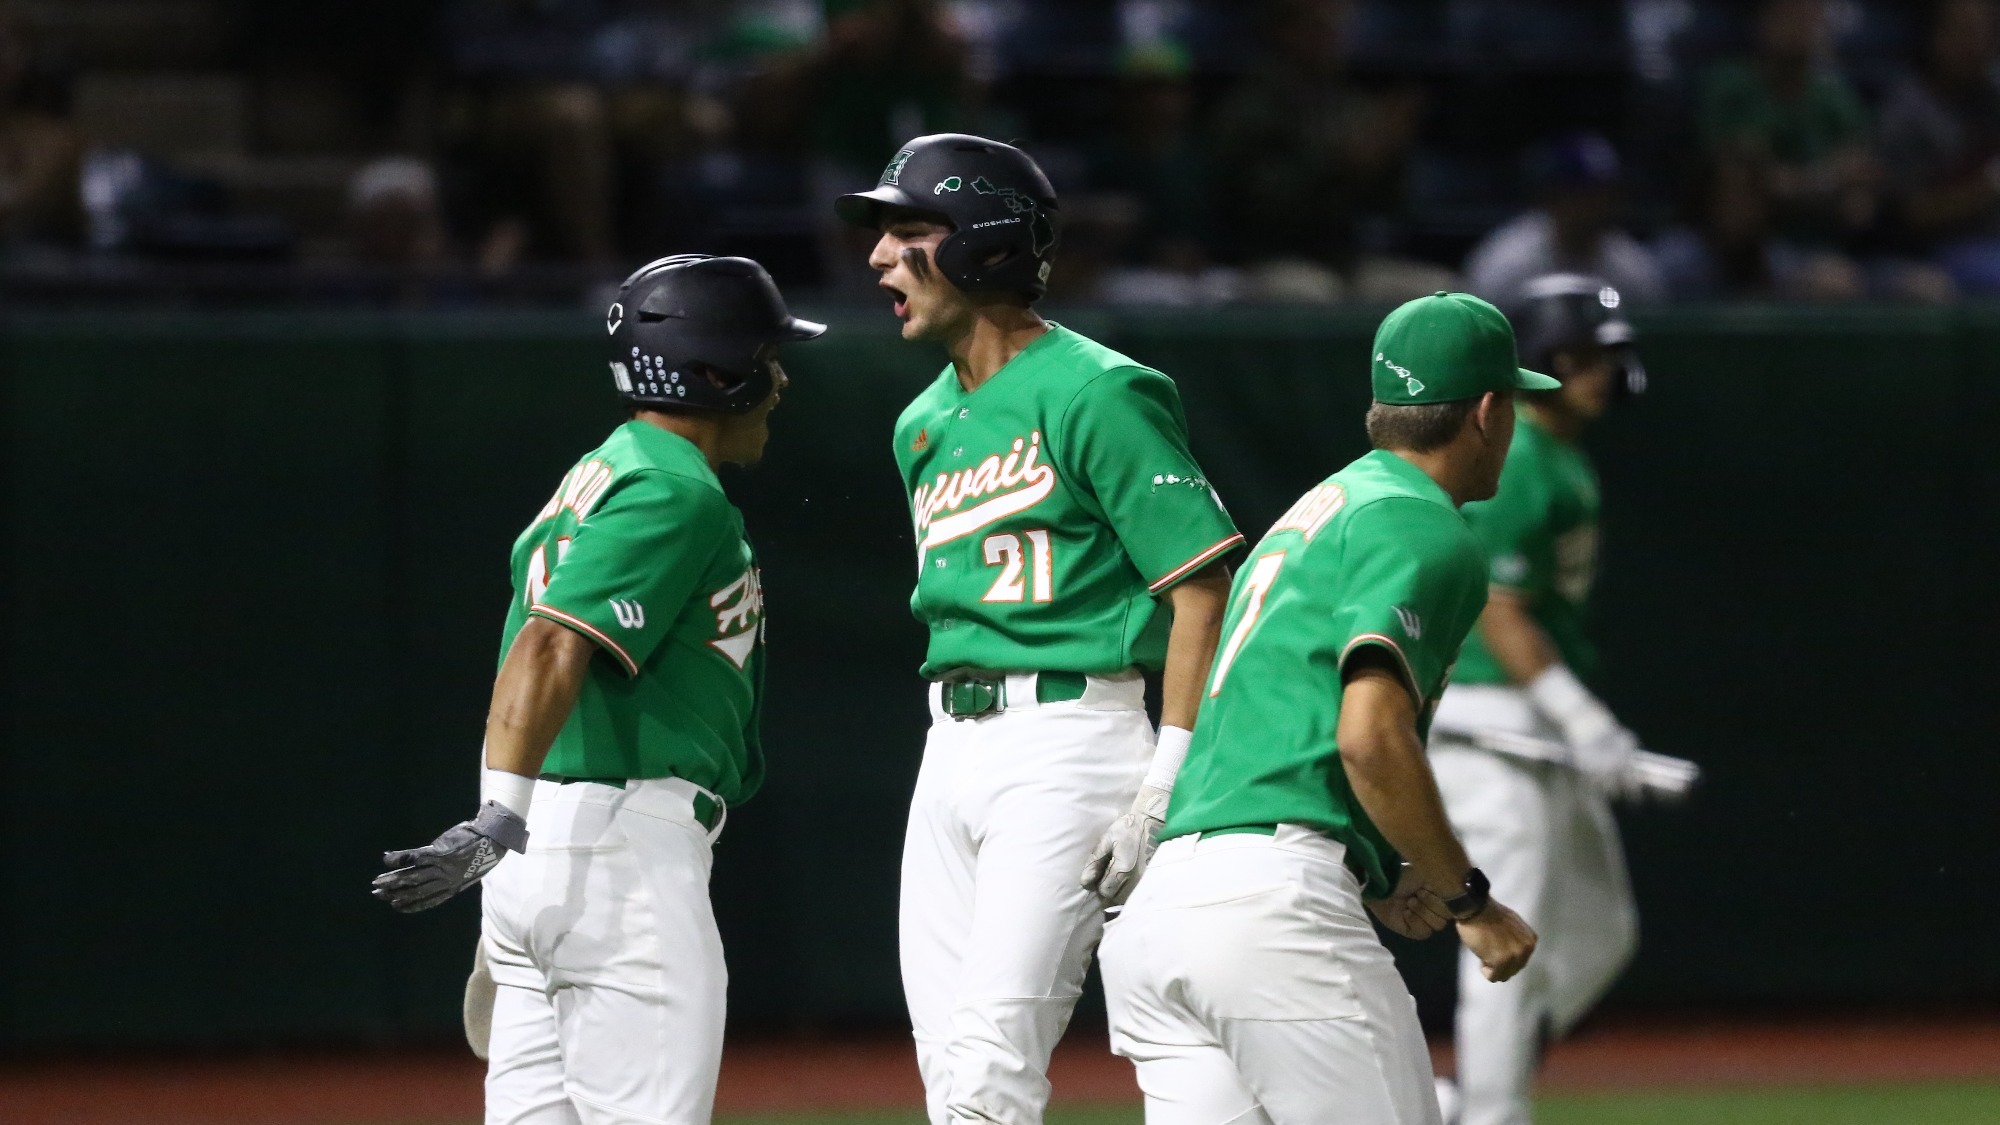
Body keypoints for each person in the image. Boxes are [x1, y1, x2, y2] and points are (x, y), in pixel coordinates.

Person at [834, 133, 1243, 1125]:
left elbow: (1203, 586)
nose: (879, 257)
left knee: (985, 1069)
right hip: (951, 751)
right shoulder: (920, 422)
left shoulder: (1099, 388)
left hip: (1070, 743)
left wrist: (1165, 777)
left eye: (906, 228)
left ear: (983, 240)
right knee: (951, 1075)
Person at [371, 254, 824, 1125]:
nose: (780, 376)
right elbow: (545, 643)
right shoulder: (671, 487)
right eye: (765, 354)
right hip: (619, 856)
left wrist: (508, 824)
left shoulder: (603, 468)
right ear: (715, 370)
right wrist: (498, 815)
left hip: (544, 854)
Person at [1100, 292, 1545, 1125]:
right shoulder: (1420, 522)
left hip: (1166, 911)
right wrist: (1469, 900)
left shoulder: (1320, 509)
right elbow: (1370, 737)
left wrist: (1377, 869)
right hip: (1271, 916)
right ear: (1486, 412)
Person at [1426, 275, 1665, 1125]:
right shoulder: (1522, 452)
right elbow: (1499, 603)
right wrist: (1582, 717)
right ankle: (1489, 1110)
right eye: (1579, 356)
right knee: (1504, 939)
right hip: (1491, 723)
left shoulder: (1556, 452)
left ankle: (1461, 1098)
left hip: (1528, 720)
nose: (1600, 371)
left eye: (1601, 355)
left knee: (1599, 932)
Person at [1878, 0, 2000, 293]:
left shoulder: (1992, 100)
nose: (1976, 45)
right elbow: (1912, 214)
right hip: (1935, 254)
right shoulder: (1908, 113)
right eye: (1965, 32)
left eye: (1985, 33)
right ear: (1936, 37)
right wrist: (1987, 189)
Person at [1462, 133, 1665, 306]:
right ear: (1551, 196)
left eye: (1602, 195)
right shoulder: (1506, 261)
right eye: (1580, 194)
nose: (1593, 208)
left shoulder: (1632, 266)